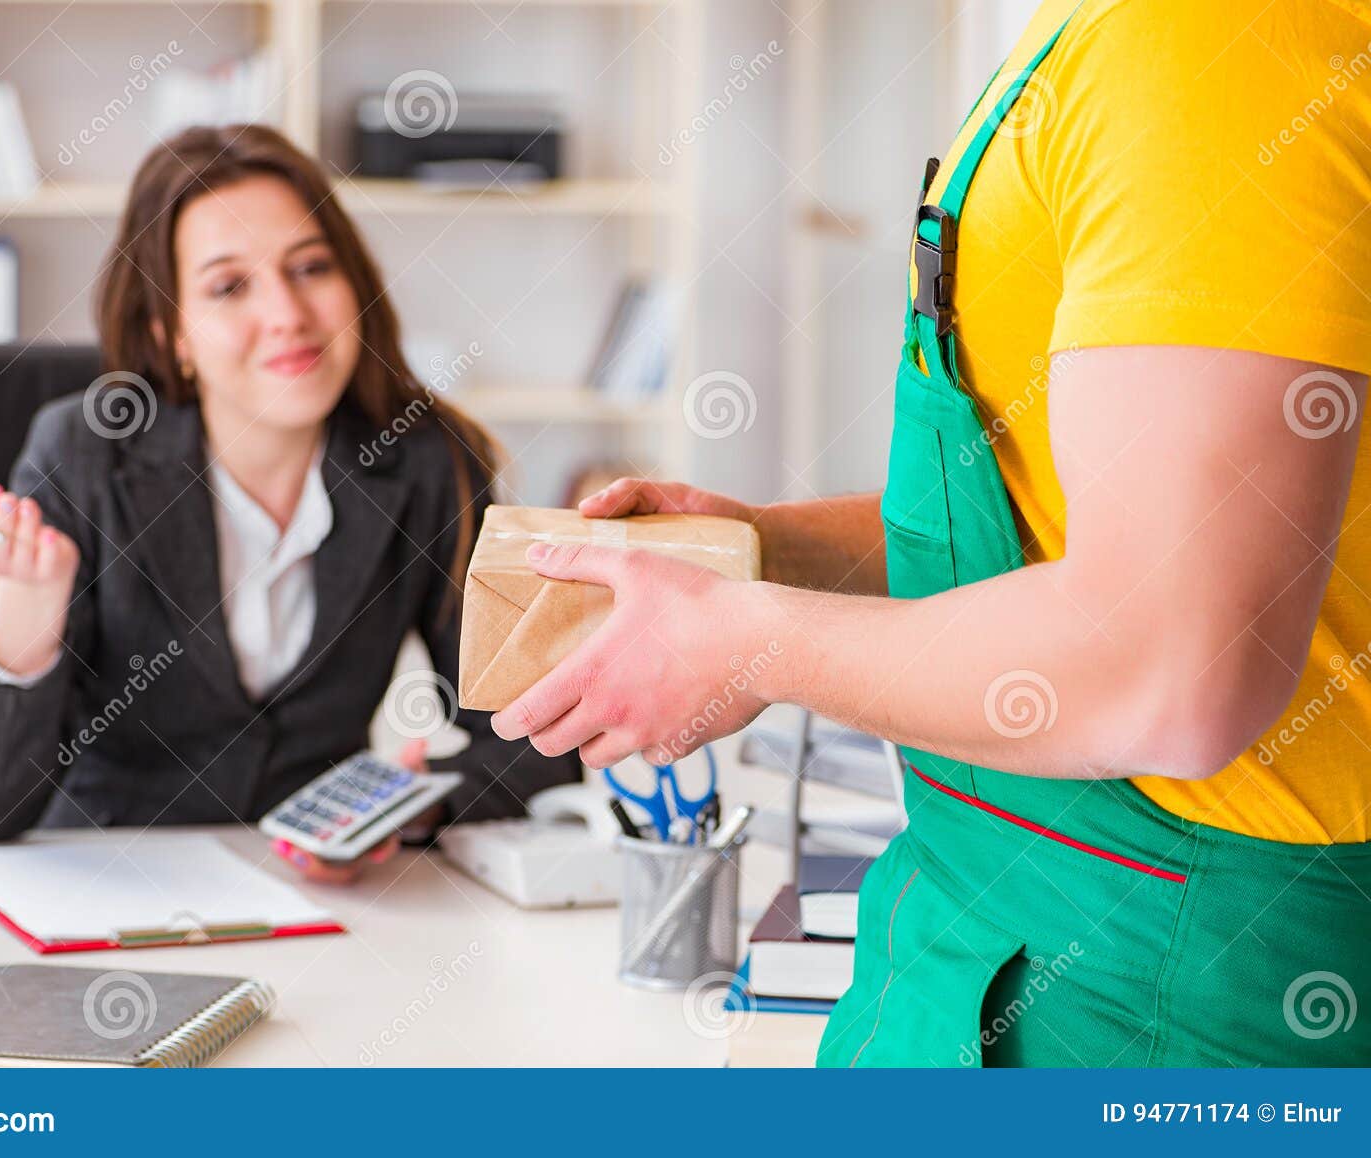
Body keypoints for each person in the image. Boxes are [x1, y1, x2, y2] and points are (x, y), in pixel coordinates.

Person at [491, 0, 1371, 1065]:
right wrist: (766, 549)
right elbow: (1067, 517)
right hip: (1009, 927)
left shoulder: (1202, 43)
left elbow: (1169, 667)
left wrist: (748, 640)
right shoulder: (1108, 35)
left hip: (1152, 988)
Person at [0, 123, 578, 882]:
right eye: (229, 285)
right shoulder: (82, 453)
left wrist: (417, 806)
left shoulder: (427, 459)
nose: (288, 314)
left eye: (310, 267)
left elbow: (534, 738)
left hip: (328, 901)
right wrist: (28, 609)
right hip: (114, 888)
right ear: (170, 332)